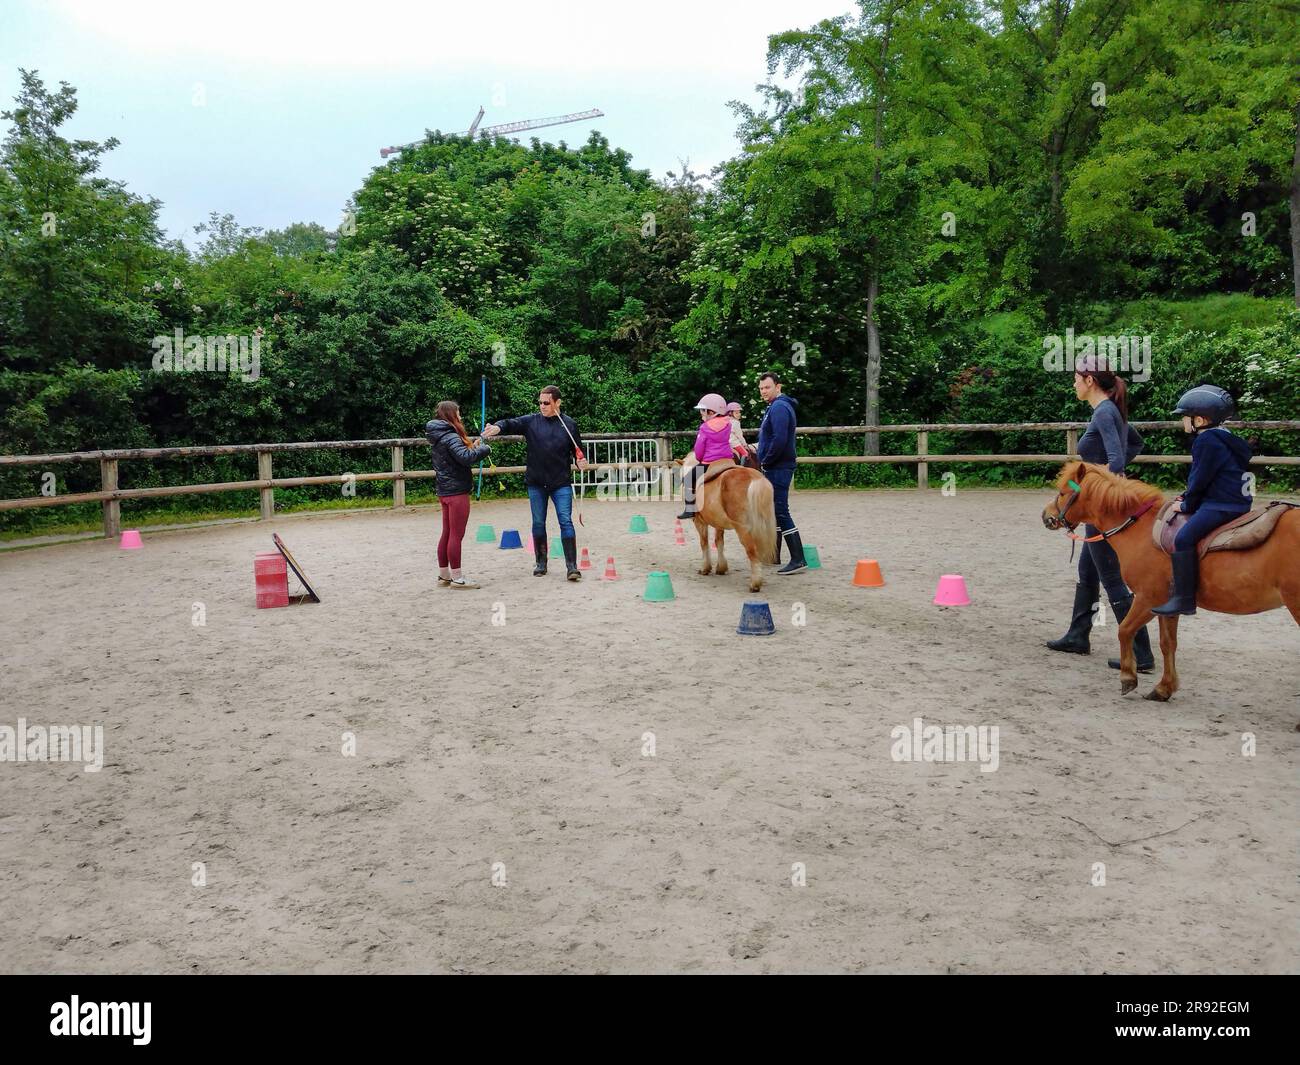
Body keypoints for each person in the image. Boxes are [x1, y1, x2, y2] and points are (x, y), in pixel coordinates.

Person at [1045, 356, 1154, 671]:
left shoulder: (1105, 413)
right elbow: (1137, 443)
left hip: (1102, 509)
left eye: (1076, 378)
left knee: (1111, 578)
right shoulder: (1110, 411)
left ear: (1089, 380)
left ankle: (1141, 653)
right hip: (1099, 509)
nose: (1074, 383)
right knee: (1088, 571)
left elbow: (1118, 460)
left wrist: (1098, 481)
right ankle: (1078, 635)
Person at [1152, 385, 1252, 617]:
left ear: (1200, 419)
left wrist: (1186, 505)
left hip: (1221, 505)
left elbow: (1200, 479)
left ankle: (1184, 599)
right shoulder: (1226, 438)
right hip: (1239, 501)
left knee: (1184, 537)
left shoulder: (1206, 441)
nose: (1183, 422)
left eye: (1186, 417)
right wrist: (1187, 496)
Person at [481, 385, 587, 581]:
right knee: (538, 522)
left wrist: (581, 461)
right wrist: (497, 427)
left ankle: (572, 567)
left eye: (546, 402)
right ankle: (541, 563)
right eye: (540, 402)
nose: (542, 406)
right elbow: (511, 423)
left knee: (566, 521)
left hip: (561, 483)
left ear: (558, 403)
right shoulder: (531, 421)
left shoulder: (570, 425)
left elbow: (578, 452)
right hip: (536, 483)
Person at [425, 400, 492, 589]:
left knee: (447, 533)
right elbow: (465, 459)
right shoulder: (451, 436)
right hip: (457, 491)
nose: (460, 417)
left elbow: (457, 457)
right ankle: (457, 577)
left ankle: (444, 575)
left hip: (444, 490)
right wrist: (484, 449)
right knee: (456, 534)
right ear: (451, 415)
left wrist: (473, 447)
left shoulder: (439, 436)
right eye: (458, 413)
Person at [756, 371, 806, 574]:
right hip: (776, 465)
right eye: (760, 389)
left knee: (781, 511)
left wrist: (766, 460)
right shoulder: (774, 407)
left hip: (778, 467)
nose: (763, 392)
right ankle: (773, 554)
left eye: (767, 387)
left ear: (778, 387)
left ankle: (798, 558)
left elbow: (779, 439)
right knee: (774, 510)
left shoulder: (779, 408)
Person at [678, 394, 733, 520]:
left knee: (687, 479)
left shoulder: (705, 427)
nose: (701, 414)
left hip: (710, 462)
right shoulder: (728, 424)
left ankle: (690, 509)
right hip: (728, 460)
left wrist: (699, 458)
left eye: (703, 411)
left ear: (711, 412)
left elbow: (699, 448)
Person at [725, 401, 756, 466]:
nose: (739, 414)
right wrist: (745, 445)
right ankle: (742, 467)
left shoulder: (725, 421)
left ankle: (698, 475)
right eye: (736, 413)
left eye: (739, 412)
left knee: (699, 470)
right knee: (745, 453)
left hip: (726, 443)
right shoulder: (736, 423)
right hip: (734, 443)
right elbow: (739, 436)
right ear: (730, 413)